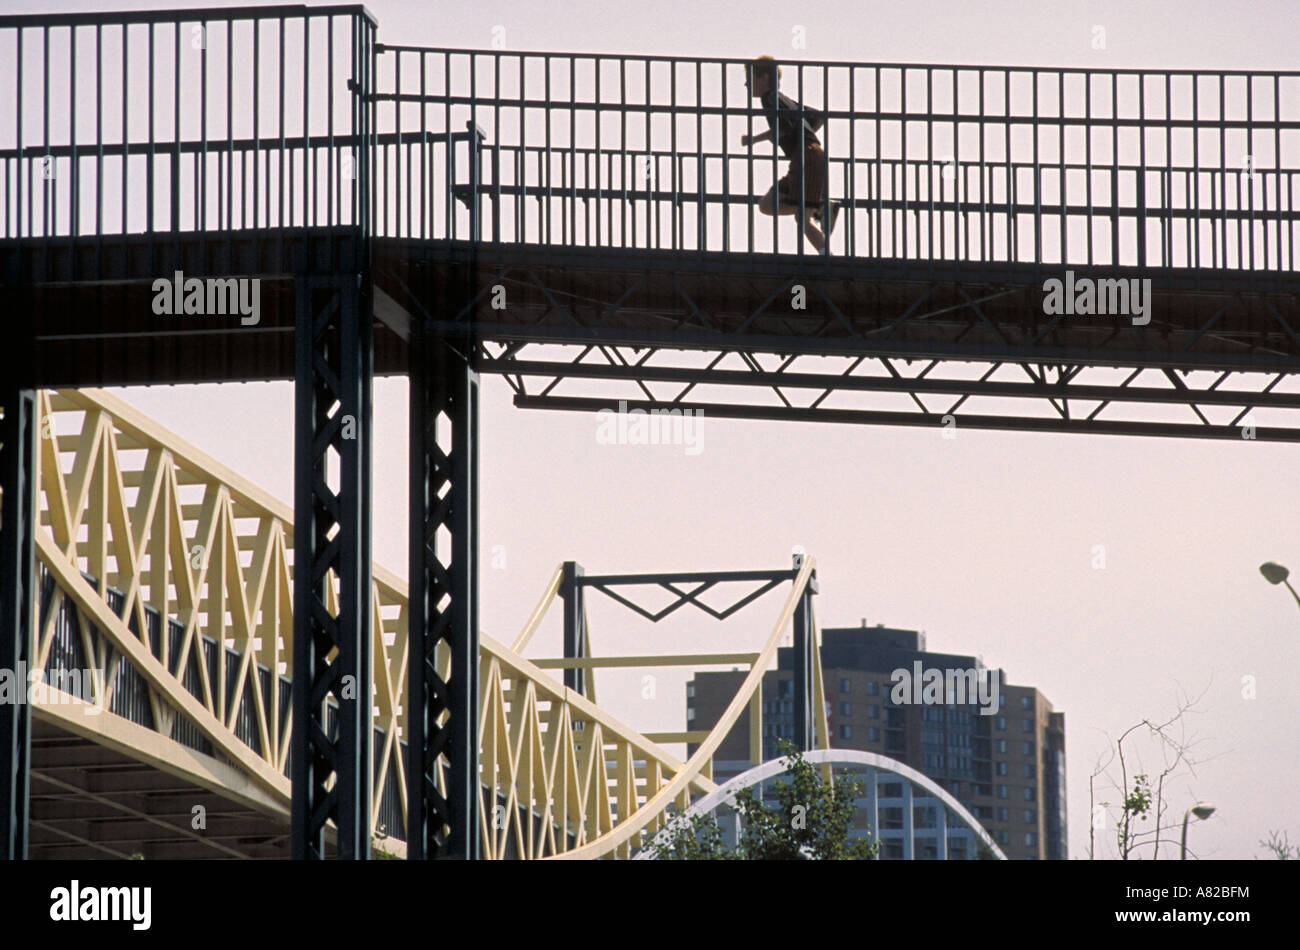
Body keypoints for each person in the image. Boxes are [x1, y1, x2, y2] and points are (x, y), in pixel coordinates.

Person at [741, 55, 842, 254]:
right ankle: (820, 207)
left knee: (802, 219)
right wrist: (803, 135)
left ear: (764, 78)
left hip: (807, 156)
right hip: (804, 156)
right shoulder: (785, 101)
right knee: (767, 204)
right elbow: (818, 117)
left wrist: (753, 139)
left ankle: (828, 258)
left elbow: (782, 129)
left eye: (750, 77)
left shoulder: (769, 98)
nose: (746, 83)